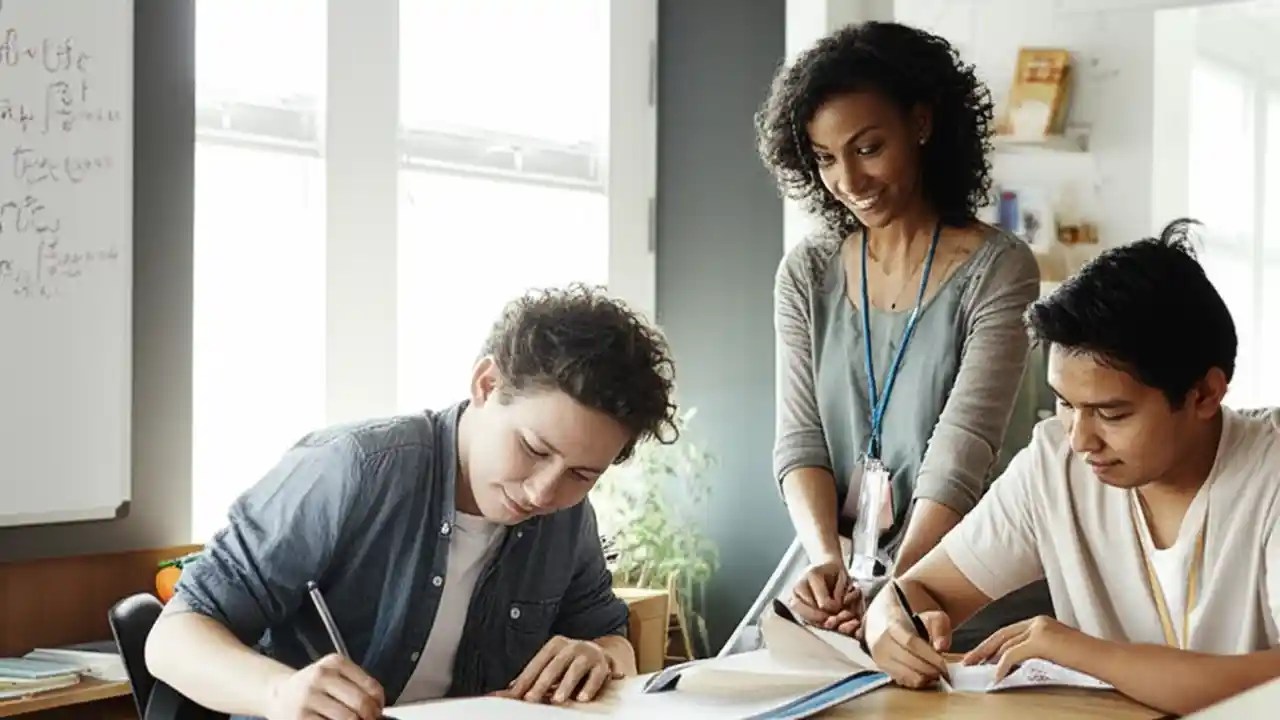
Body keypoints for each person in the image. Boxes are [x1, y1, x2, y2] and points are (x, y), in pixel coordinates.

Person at [145, 284, 678, 719]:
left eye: (582, 474)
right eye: (534, 449)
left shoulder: (567, 517)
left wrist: (600, 654)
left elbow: (608, 634)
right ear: (487, 383)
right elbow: (173, 637)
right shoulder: (353, 468)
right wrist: (278, 693)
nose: (544, 492)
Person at [864, 220, 1280, 716]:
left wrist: (1084, 654)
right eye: (1065, 403)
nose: (1081, 440)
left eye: (1112, 414)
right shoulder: (1055, 465)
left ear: (1205, 394)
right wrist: (887, 624)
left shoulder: (1269, 474)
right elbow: (917, 591)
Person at [728, 21, 1045, 652]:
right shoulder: (807, 273)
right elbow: (800, 442)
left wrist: (897, 592)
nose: (849, 180)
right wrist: (826, 562)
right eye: (825, 158)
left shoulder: (1000, 269)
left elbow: (960, 456)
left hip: (958, 568)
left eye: (868, 148)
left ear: (921, 124)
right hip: (840, 570)